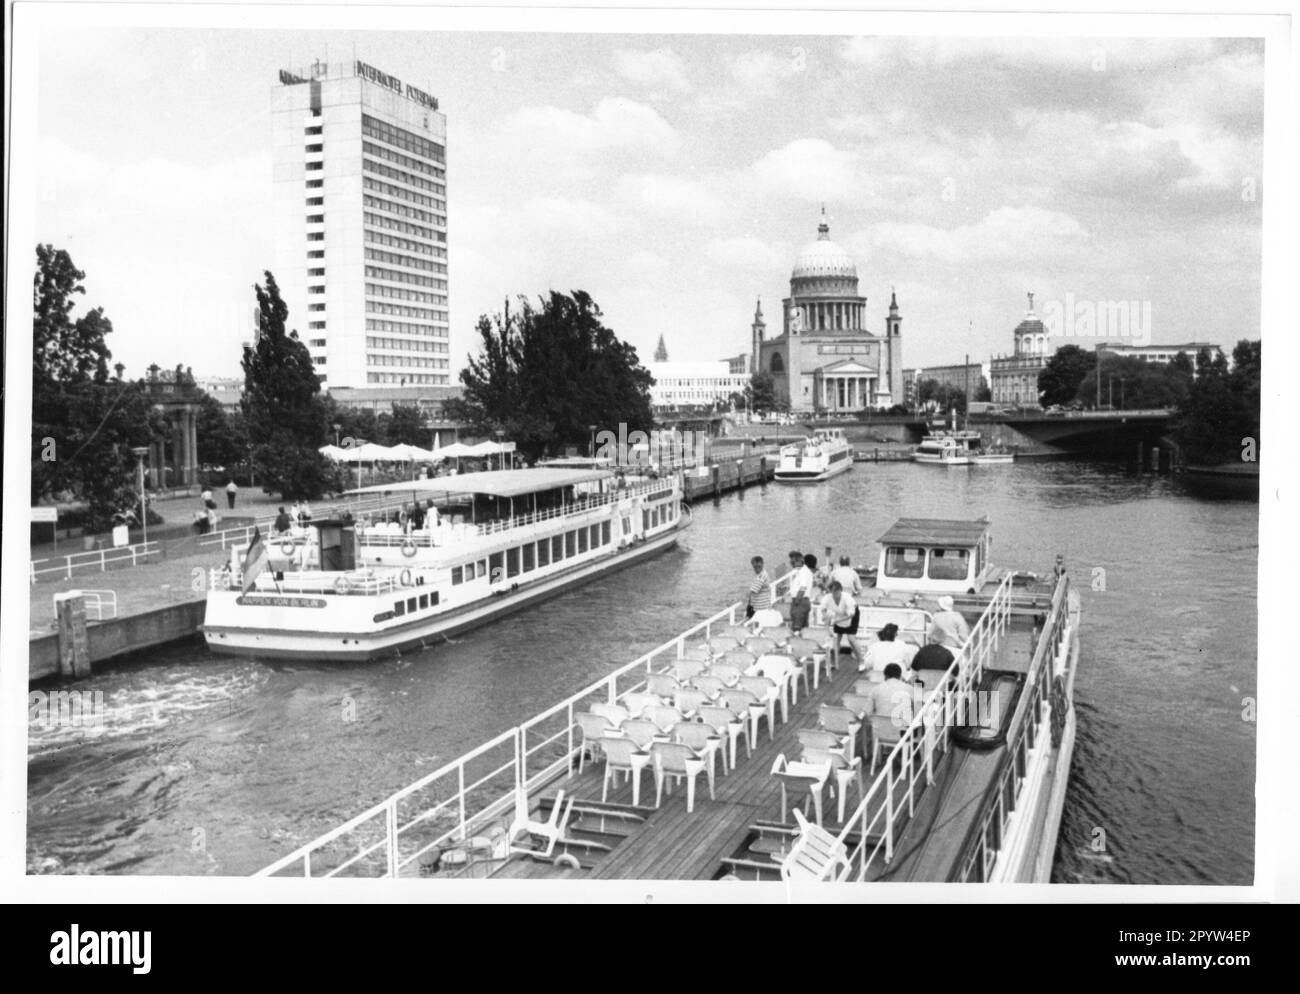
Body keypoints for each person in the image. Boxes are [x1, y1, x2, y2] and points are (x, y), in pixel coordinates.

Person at [818, 580, 862, 668]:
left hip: (851, 615)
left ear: (840, 590)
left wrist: (836, 621)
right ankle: (834, 663)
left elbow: (851, 615)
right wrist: (826, 620)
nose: (835, 593)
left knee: (851, 639)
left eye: (837, 591)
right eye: (833, 591)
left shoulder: (847, 598)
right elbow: (823, 610)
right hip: (838, 615)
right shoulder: (827, 598)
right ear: (830, 591)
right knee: (836, 639)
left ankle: (861, 662)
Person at [867, 663, 915, 729]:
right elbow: (919, 710)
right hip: (904, 733)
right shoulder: (909, 689)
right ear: (900, 675)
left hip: (880, 731)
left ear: (885, 676)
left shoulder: (875, 689)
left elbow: (867, 712)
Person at [788, 553, 815, 635]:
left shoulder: (803, 572)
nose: (792, 565)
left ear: (800, 561)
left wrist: (796, 601)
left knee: (796, 629)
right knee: (804, 629)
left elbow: (803, 587)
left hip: (800, 601)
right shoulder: (803, 571)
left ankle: (796, 645)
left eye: (793, 563)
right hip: (804, 601)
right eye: (791, 562)